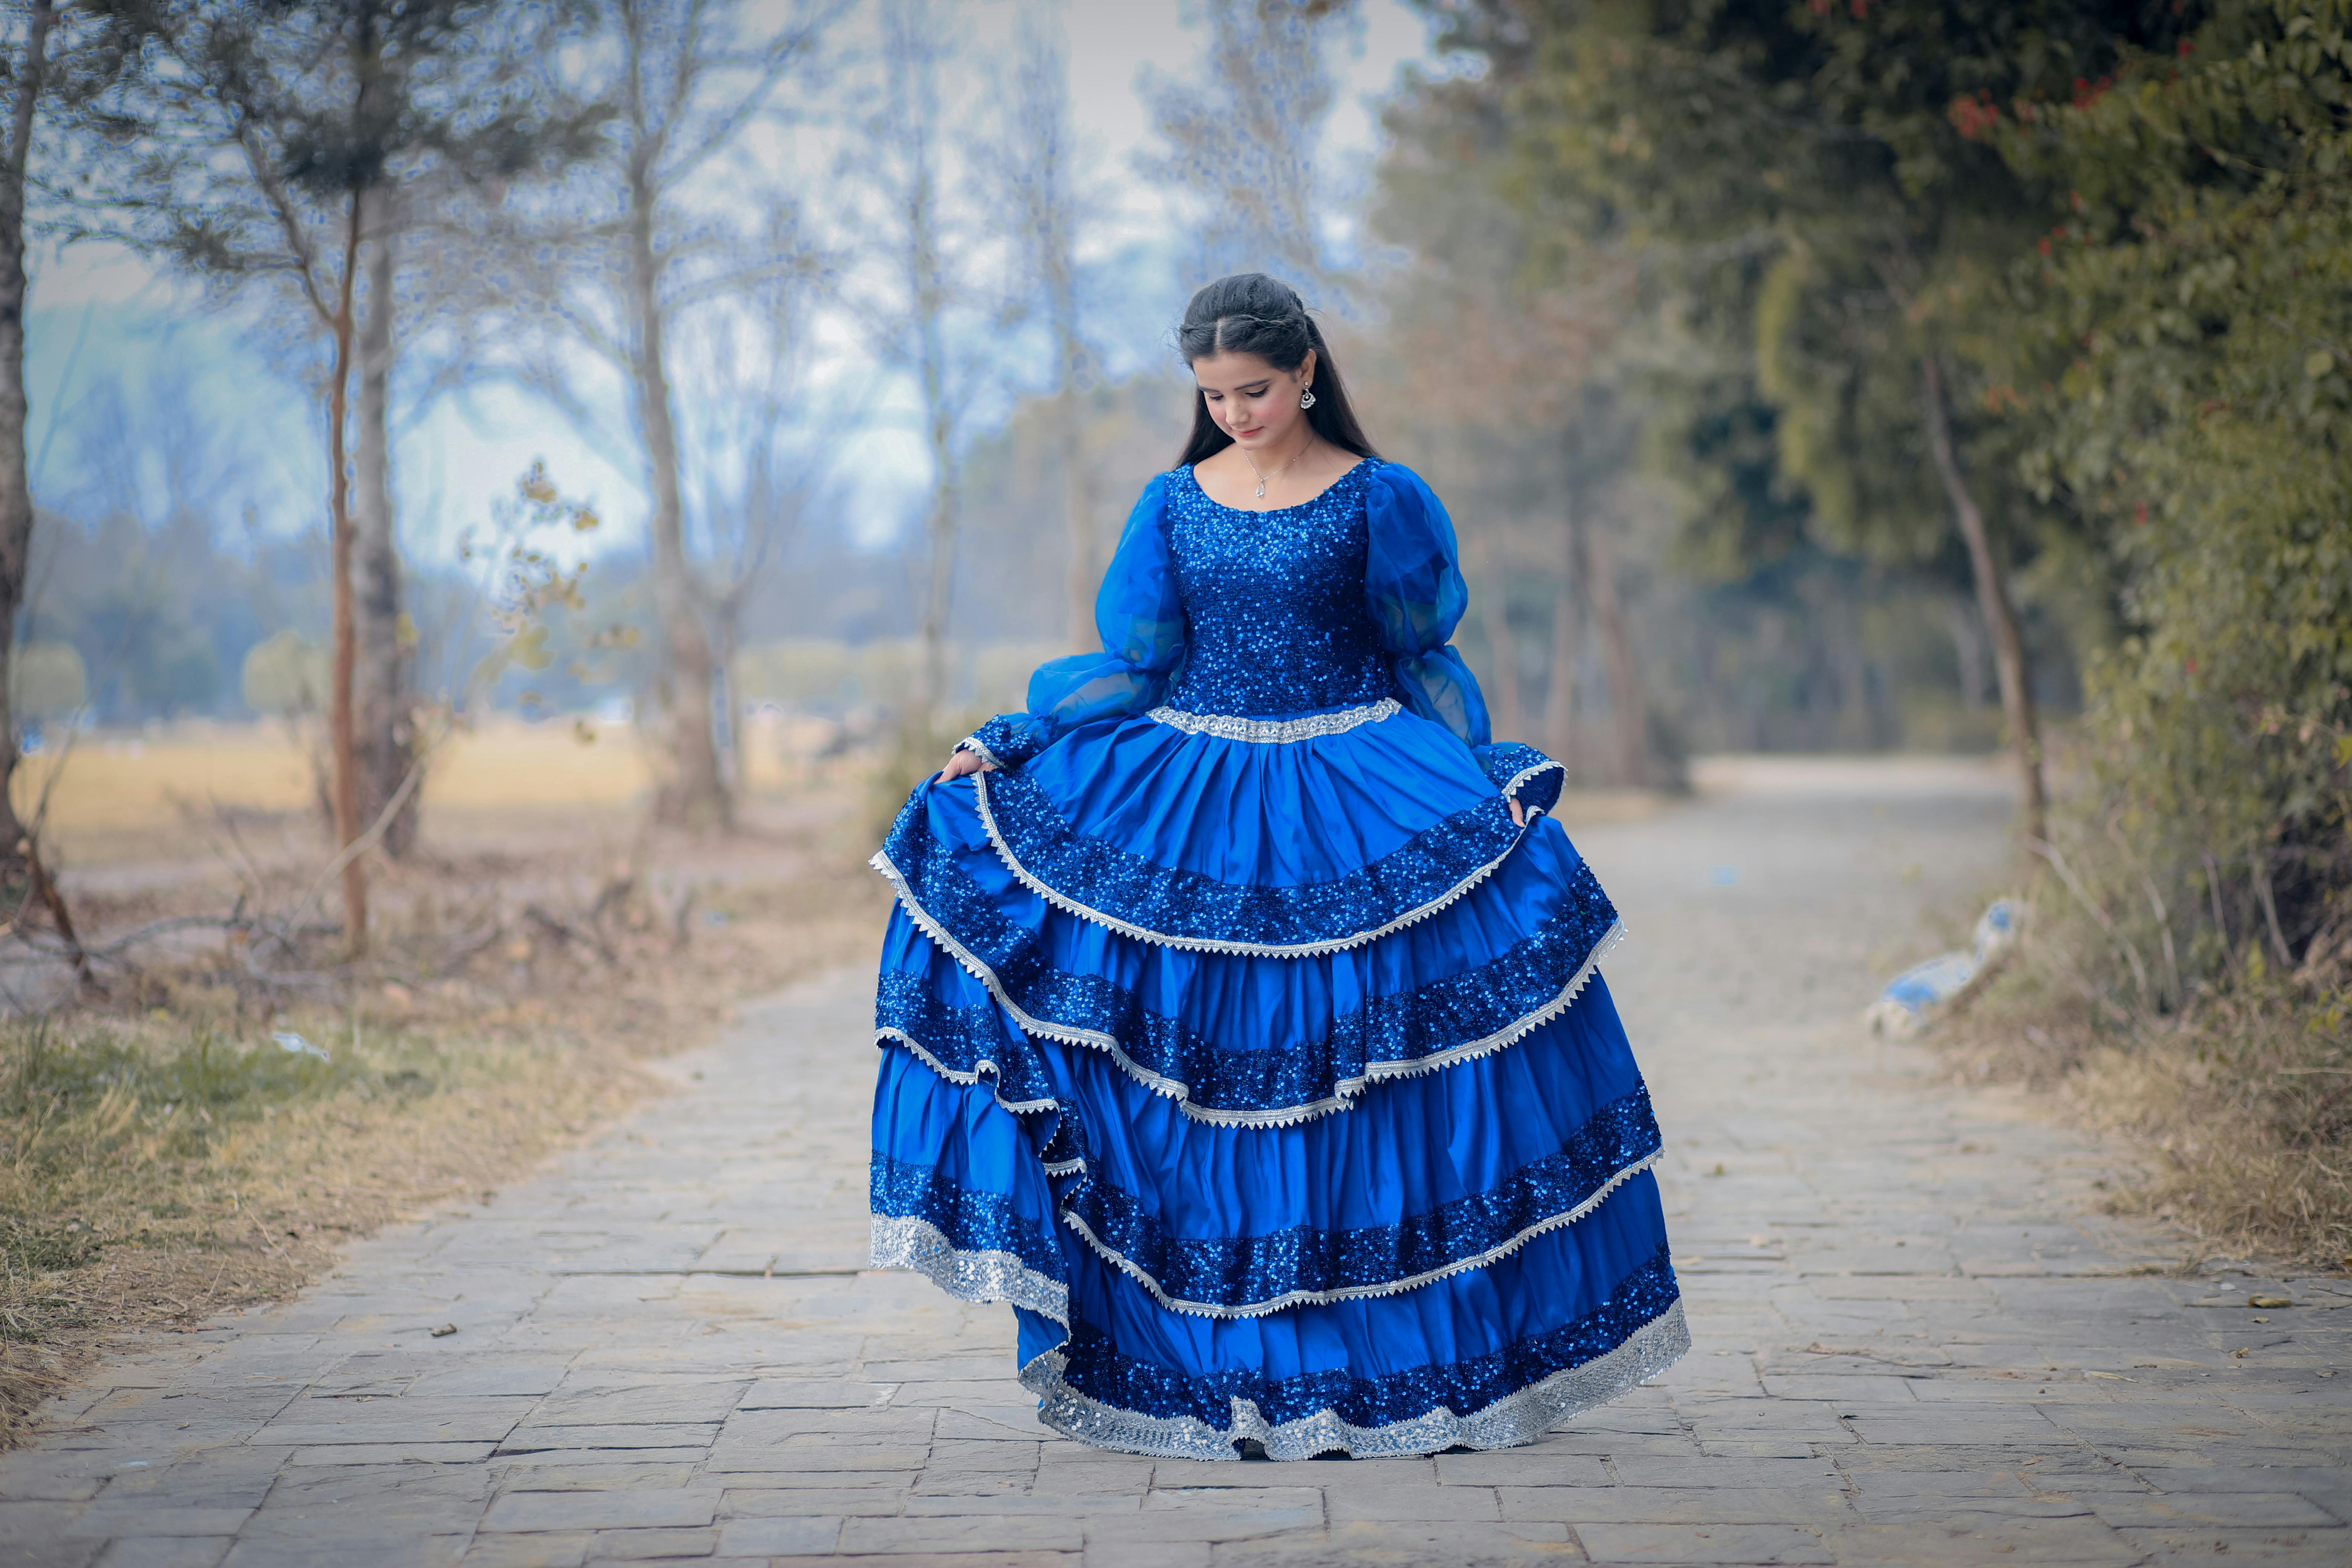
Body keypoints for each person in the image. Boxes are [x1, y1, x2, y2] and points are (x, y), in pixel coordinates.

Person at [866, 273, 1685, 1461]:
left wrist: (1477, 779)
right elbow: (1133, 666)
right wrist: (1011, 738)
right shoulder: (1170, 503)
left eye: (1254, 388)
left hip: (1354, 780)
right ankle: (1219, 1352)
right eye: (1213, 394)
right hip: (1193, 787)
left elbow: (1421, 649)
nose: (1237, 412)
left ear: (1307, 370)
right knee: (1203, 1074)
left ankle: (1397, 1356)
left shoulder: (1380, 498)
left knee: (1368, 1070)